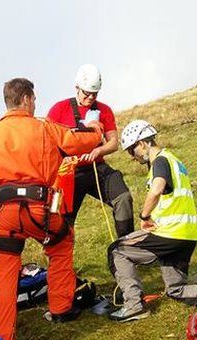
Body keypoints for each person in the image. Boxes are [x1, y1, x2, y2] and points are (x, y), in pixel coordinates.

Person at [0, 77, 103, 340]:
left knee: (6, 276)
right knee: (62, 245)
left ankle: (2, 338)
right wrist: (97, 131)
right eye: (35, 99)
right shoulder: (44, 128)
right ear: (27, 99)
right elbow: (78, 143)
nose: (35, 104)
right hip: (41, 211)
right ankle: (62, 308)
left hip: (5, 216)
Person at [107, 120, 197, 322]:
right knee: (176, 289)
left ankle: (134, 306)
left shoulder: (160, 162)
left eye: (132, 150)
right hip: (188, 235)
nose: (132, 156)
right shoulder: (174, 160)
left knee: (117, 251)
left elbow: (157, 189)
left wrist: (144, 216)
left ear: (143, 143)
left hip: (170, 233)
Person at [46, 64, 134, 238]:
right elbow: (48, 142)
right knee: (62, 219)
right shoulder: (59, 109)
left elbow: (113, 143)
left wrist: (99, 151)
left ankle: (127, 249)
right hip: (70, 172)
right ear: (77, 88)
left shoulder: (104, 110)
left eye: (95, 94)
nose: (91, 97)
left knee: (123, 197)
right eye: (87, 93)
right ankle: (62, 262)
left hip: (96, 167)